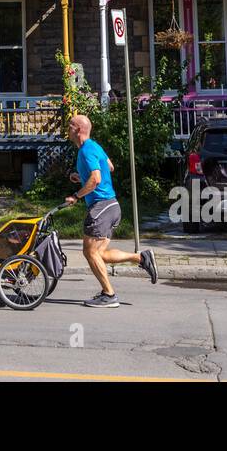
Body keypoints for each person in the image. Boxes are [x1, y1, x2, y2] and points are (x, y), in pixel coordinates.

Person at [64, 114, 157, 307]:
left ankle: (109, 294)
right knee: (100, 254)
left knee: (89, 253)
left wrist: (77, 195)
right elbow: (110, 167)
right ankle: (141, 257)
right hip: (112, 206)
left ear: (78, 129)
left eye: (69, 126)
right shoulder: (95, 147)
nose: (67, 129)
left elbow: (97, 179)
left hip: (101, 207)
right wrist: (82, 177)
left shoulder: (85, 151)